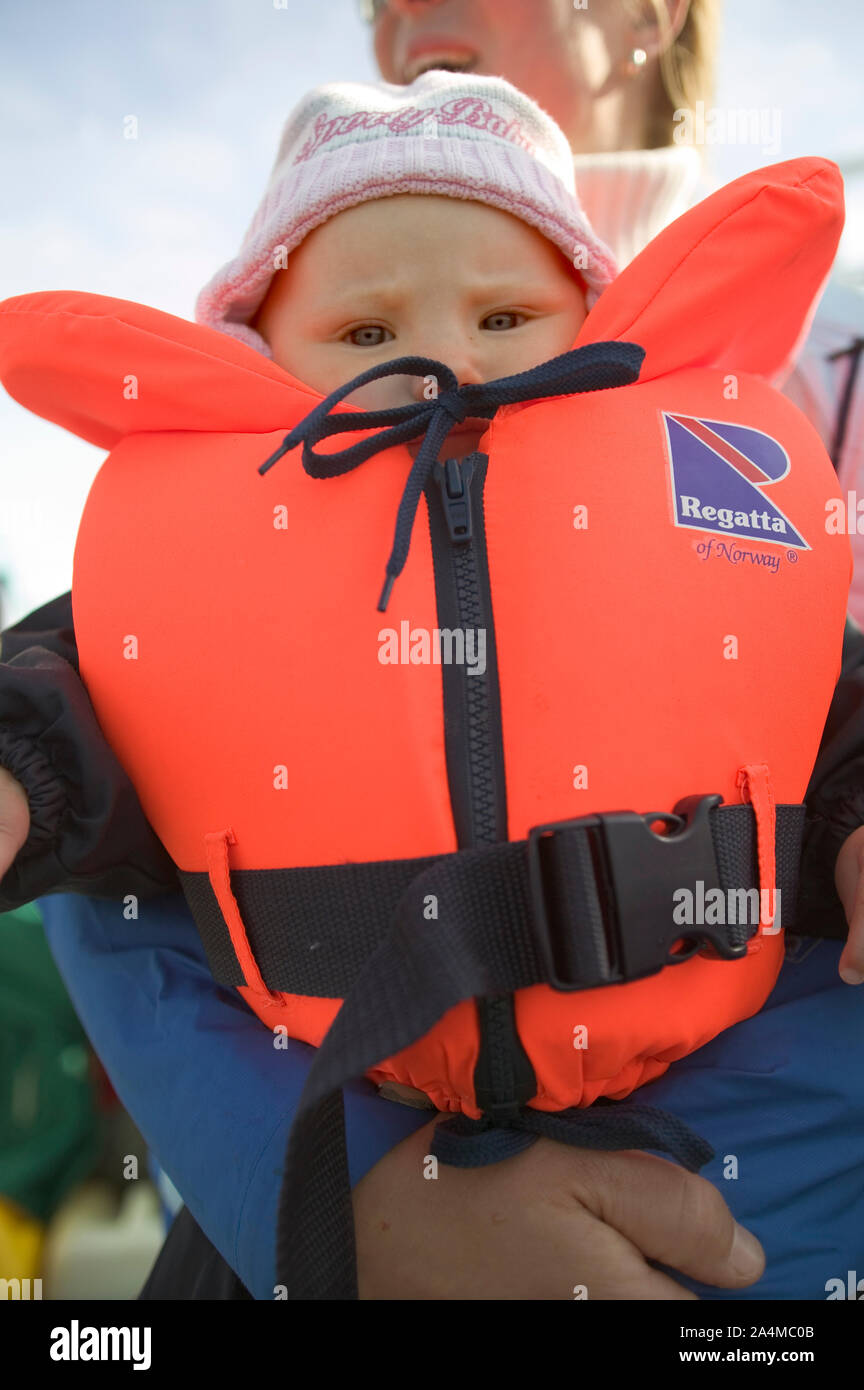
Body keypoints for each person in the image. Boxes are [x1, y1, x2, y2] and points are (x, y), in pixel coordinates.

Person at [2, 0, 862, 1300]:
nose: (443, 364)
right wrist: (358, 1217)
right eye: (364, 337)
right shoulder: (220, 542)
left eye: (508, 317)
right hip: (330, 1152)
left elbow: (824, 702)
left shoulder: (769, 399)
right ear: (257, 368)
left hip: (755, 1207)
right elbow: (74, 710)